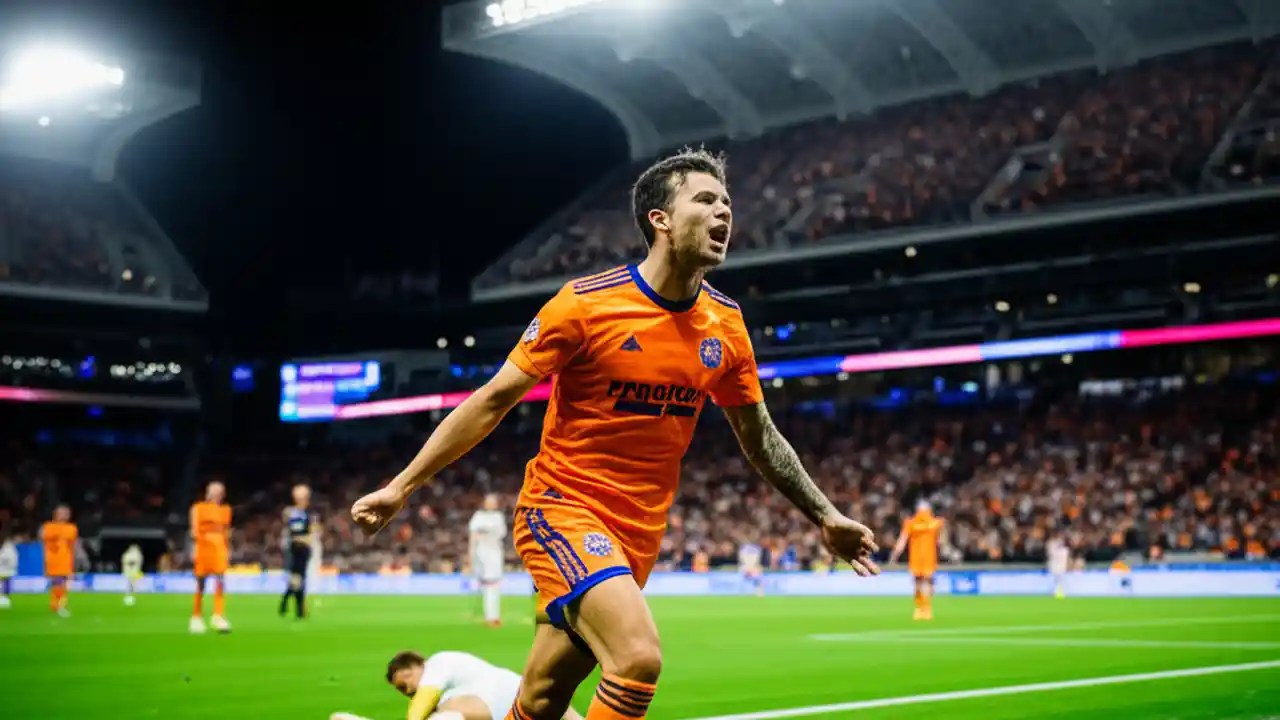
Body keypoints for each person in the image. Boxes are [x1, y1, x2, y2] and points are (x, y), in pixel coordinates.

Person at [352, 148, 879, 720]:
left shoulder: (726, 325)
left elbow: (761, 438)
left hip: (638, 533)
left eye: (727, 202)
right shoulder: (585, 305)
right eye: (705, 200)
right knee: (637, 660)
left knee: (543, 698)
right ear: (661, 220)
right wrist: (402, 486)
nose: (724, 211)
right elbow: (492, 400)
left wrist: (826, 514)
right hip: (563, 509)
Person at [330, 650, 585, 720]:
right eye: (401, 691)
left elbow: (419, 708)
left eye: (404, 682)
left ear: (417, 665)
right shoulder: (458, 684)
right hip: (526, 692)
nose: (407, 691)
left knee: (446, 714)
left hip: (501, 698)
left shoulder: (438, 663)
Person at [888, 500, 949, 621]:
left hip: (916, 557)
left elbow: (902, 540)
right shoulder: (935, 523)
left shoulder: (911, 523)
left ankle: (920, 608)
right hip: (928, 557)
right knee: (925, 582)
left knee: (918, 582)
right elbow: (942, 539)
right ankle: (926, 609)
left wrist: (894, 555)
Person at [190, 481, 232, 634]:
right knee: (201, 583)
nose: (216, 495)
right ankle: (196, 616)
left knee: (220, 580)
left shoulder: (226, 510)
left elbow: (226, 531)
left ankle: (218, 615)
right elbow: (194, 531)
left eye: (219, 492)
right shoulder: (198, 508)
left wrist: (226, 549)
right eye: (213, 491)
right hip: (204, 547)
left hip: (219, 549)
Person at [469, 493, 508, 627]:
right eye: (489, 501)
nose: (491, 504)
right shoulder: (478, 517)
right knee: (489, 584)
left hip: (495, 554)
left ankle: (493, 615)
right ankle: (491, 616)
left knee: (494, 585)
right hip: (482, 554)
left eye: (493, 502)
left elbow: (502, 533)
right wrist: (471, 555)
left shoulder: (498, 517)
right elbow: (473, 537)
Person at [280, 483, 318, 619]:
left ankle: (288, 603)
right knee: (297, 579)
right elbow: (291, 530)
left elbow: (313, 531)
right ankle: (297, 608)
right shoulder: (291, 512)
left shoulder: (309, 514)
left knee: (299, 579)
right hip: (293, 550)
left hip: (304, 550)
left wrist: (305, 538)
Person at [41, 505, 78, 617]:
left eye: (67, 513)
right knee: (58, 583)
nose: (65, 515)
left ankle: (58, 605)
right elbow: (45, 538)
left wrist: (73, 562)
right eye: (62, 512)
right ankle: (58, 605)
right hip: (54, 560)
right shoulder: (48, 527)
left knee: (65, 584)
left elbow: (73, 546)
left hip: (66, 560)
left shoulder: (72, 528)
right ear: (55, 514)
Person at [1047, 534, 1071, 599]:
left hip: (1061, 567)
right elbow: (1051, 553)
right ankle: (1055, 592)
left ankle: (1061, 592)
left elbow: (1066, 559)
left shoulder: (1065, 550)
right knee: (1056, 580)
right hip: (1055, 566)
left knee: (1061, 580)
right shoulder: (1053, 546)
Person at [0, 532, 16, 609]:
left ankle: (5, 599)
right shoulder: (10, 549)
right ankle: (5, 598)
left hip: (6, 570)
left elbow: (11, 560)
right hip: (6, 570)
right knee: (5, 584)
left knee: (6, 584)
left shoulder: (8, 549)